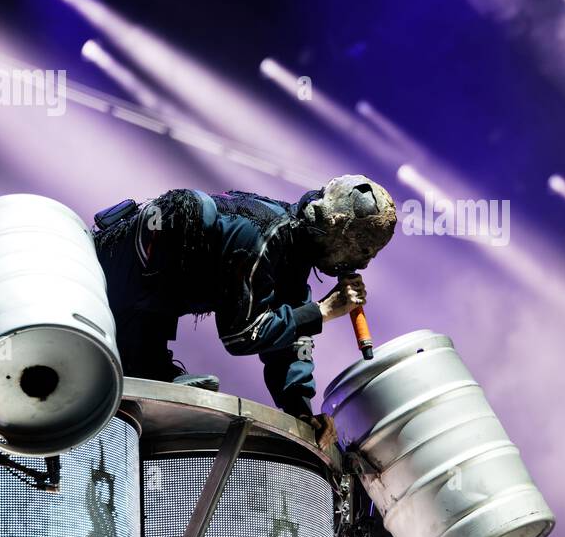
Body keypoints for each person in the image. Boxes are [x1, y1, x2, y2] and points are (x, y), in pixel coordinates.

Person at [91, 175, 396, 447]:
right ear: (335, 228)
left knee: (127, 405)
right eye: (363, 248)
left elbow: (291, 340)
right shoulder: (261, 236)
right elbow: (242, 335)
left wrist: (300, 410)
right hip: (107, 292)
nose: (364, 263)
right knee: (111, 397)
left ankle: (146, 374)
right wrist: (322, 311)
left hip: (142, 313)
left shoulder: (292, 255)